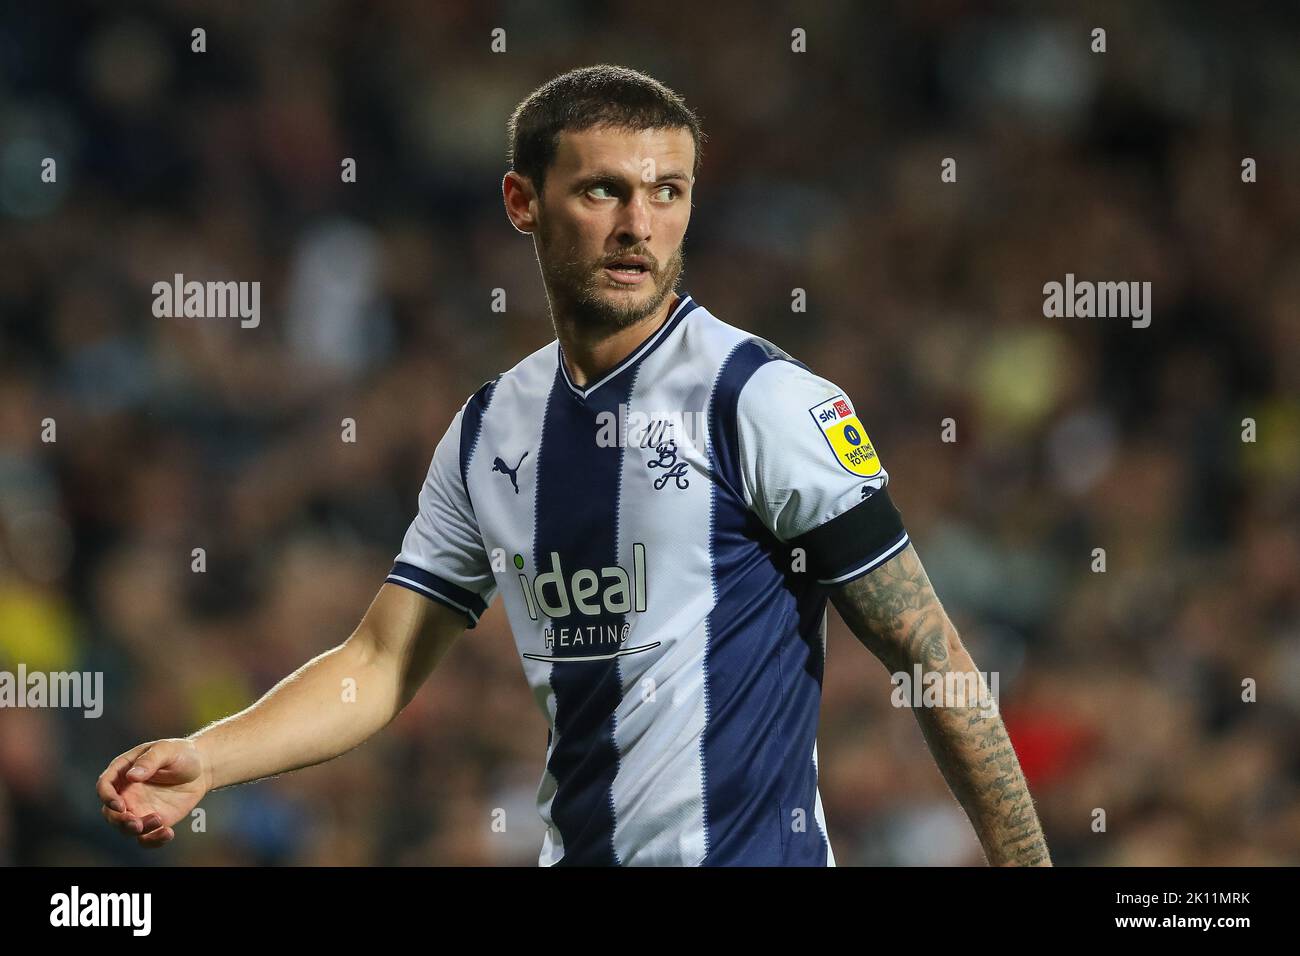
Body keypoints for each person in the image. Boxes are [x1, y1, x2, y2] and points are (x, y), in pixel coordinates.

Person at [98, 64, 1050, 866]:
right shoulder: (488, 432)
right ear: (524, 201)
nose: (640, 223)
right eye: (604, 190)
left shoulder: (758, 399)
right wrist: (210, 757)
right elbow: (379, 663)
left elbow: (930, 652)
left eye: (667, 192)